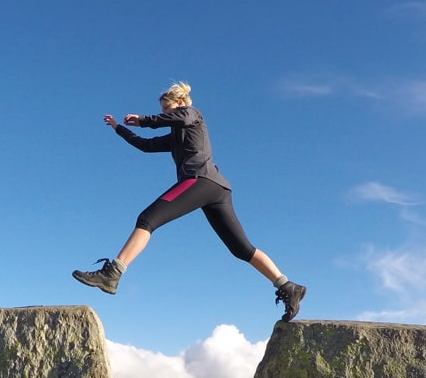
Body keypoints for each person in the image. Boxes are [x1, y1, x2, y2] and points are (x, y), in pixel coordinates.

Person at [73, 82, 307, 322]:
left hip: (201, 180)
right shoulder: (176, 136)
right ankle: (288, 286)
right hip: (216, 189)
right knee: (242, 249)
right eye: (163, 110)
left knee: (147, 219)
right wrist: (118, 128)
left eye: (167, 108)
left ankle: (112, 274)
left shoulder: (193, 114)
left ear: (181, 103)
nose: (165, 114)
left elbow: (180, 118)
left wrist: (143, 120)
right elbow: (145, 145)